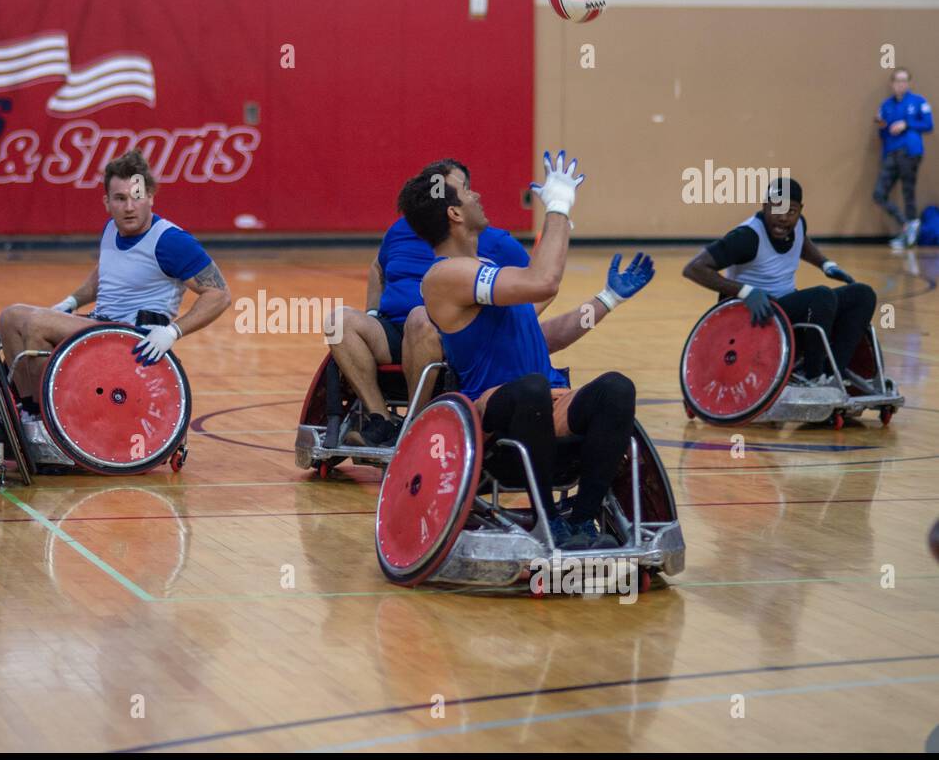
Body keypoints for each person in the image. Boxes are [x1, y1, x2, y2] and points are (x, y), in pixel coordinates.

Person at [402, 150, 655, 550]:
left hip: (545, 405)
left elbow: (540, 334)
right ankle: (547, 520)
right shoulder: (444, 276)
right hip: (491, 420)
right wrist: (558, 206)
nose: (476, 195)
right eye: (466, 191)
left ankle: (582, 522)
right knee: (531, 388)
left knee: (616, 389)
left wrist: (607, 299)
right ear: (453, 214)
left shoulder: (487, 269)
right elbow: (545, 282)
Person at [0, 148, 231, 416]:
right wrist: (70, 302)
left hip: (132, 338)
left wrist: (172, 332)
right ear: (107, 202)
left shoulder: (170, 240)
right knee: (10, 317)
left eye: (136, 197)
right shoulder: (112, 228)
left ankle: (47, 420)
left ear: (150, 198)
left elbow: (219, 294)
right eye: (120, 199)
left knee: (36, 324)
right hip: (102, 326)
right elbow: (105, 275)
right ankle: (29, 411)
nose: (129, 207)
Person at [326, 158, 534, 447]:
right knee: (338, 321)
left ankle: (413, 423)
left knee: (420, 317)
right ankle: (380, 419)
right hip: (392, 330)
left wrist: (509, 326)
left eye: (451, 186)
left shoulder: (490, 238)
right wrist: (372, 312)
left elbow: (535, 281)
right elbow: (377, 268)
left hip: (448, 334)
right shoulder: (400, 229)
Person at [683, 177, 875, 386]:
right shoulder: (747, 236)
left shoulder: (798, 224)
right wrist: (744, 292)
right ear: (765, 206)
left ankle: (831, 374)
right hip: (755, 313)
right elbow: (694, 268)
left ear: (800, 210)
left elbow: (801, 241)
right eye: (776, 209)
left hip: (785, 306)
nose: (783, 218)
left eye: (791, 211)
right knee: (821, 296)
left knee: (863, 294)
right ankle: (812, 376)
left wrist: (825, 264)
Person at [872, 69, 932, 251]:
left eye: (904, 81)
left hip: (910, 151)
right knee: (879, 194)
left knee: (908, 192)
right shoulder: (886, 105)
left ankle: (910, 229)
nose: (901, 84)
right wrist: (881, 124)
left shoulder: (918, 101)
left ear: (909, 83)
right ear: (892, 84)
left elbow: (928, 124)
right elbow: (882, 132)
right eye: (898, 81)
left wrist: (907, 124)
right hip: (891, 153)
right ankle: (907, 224)